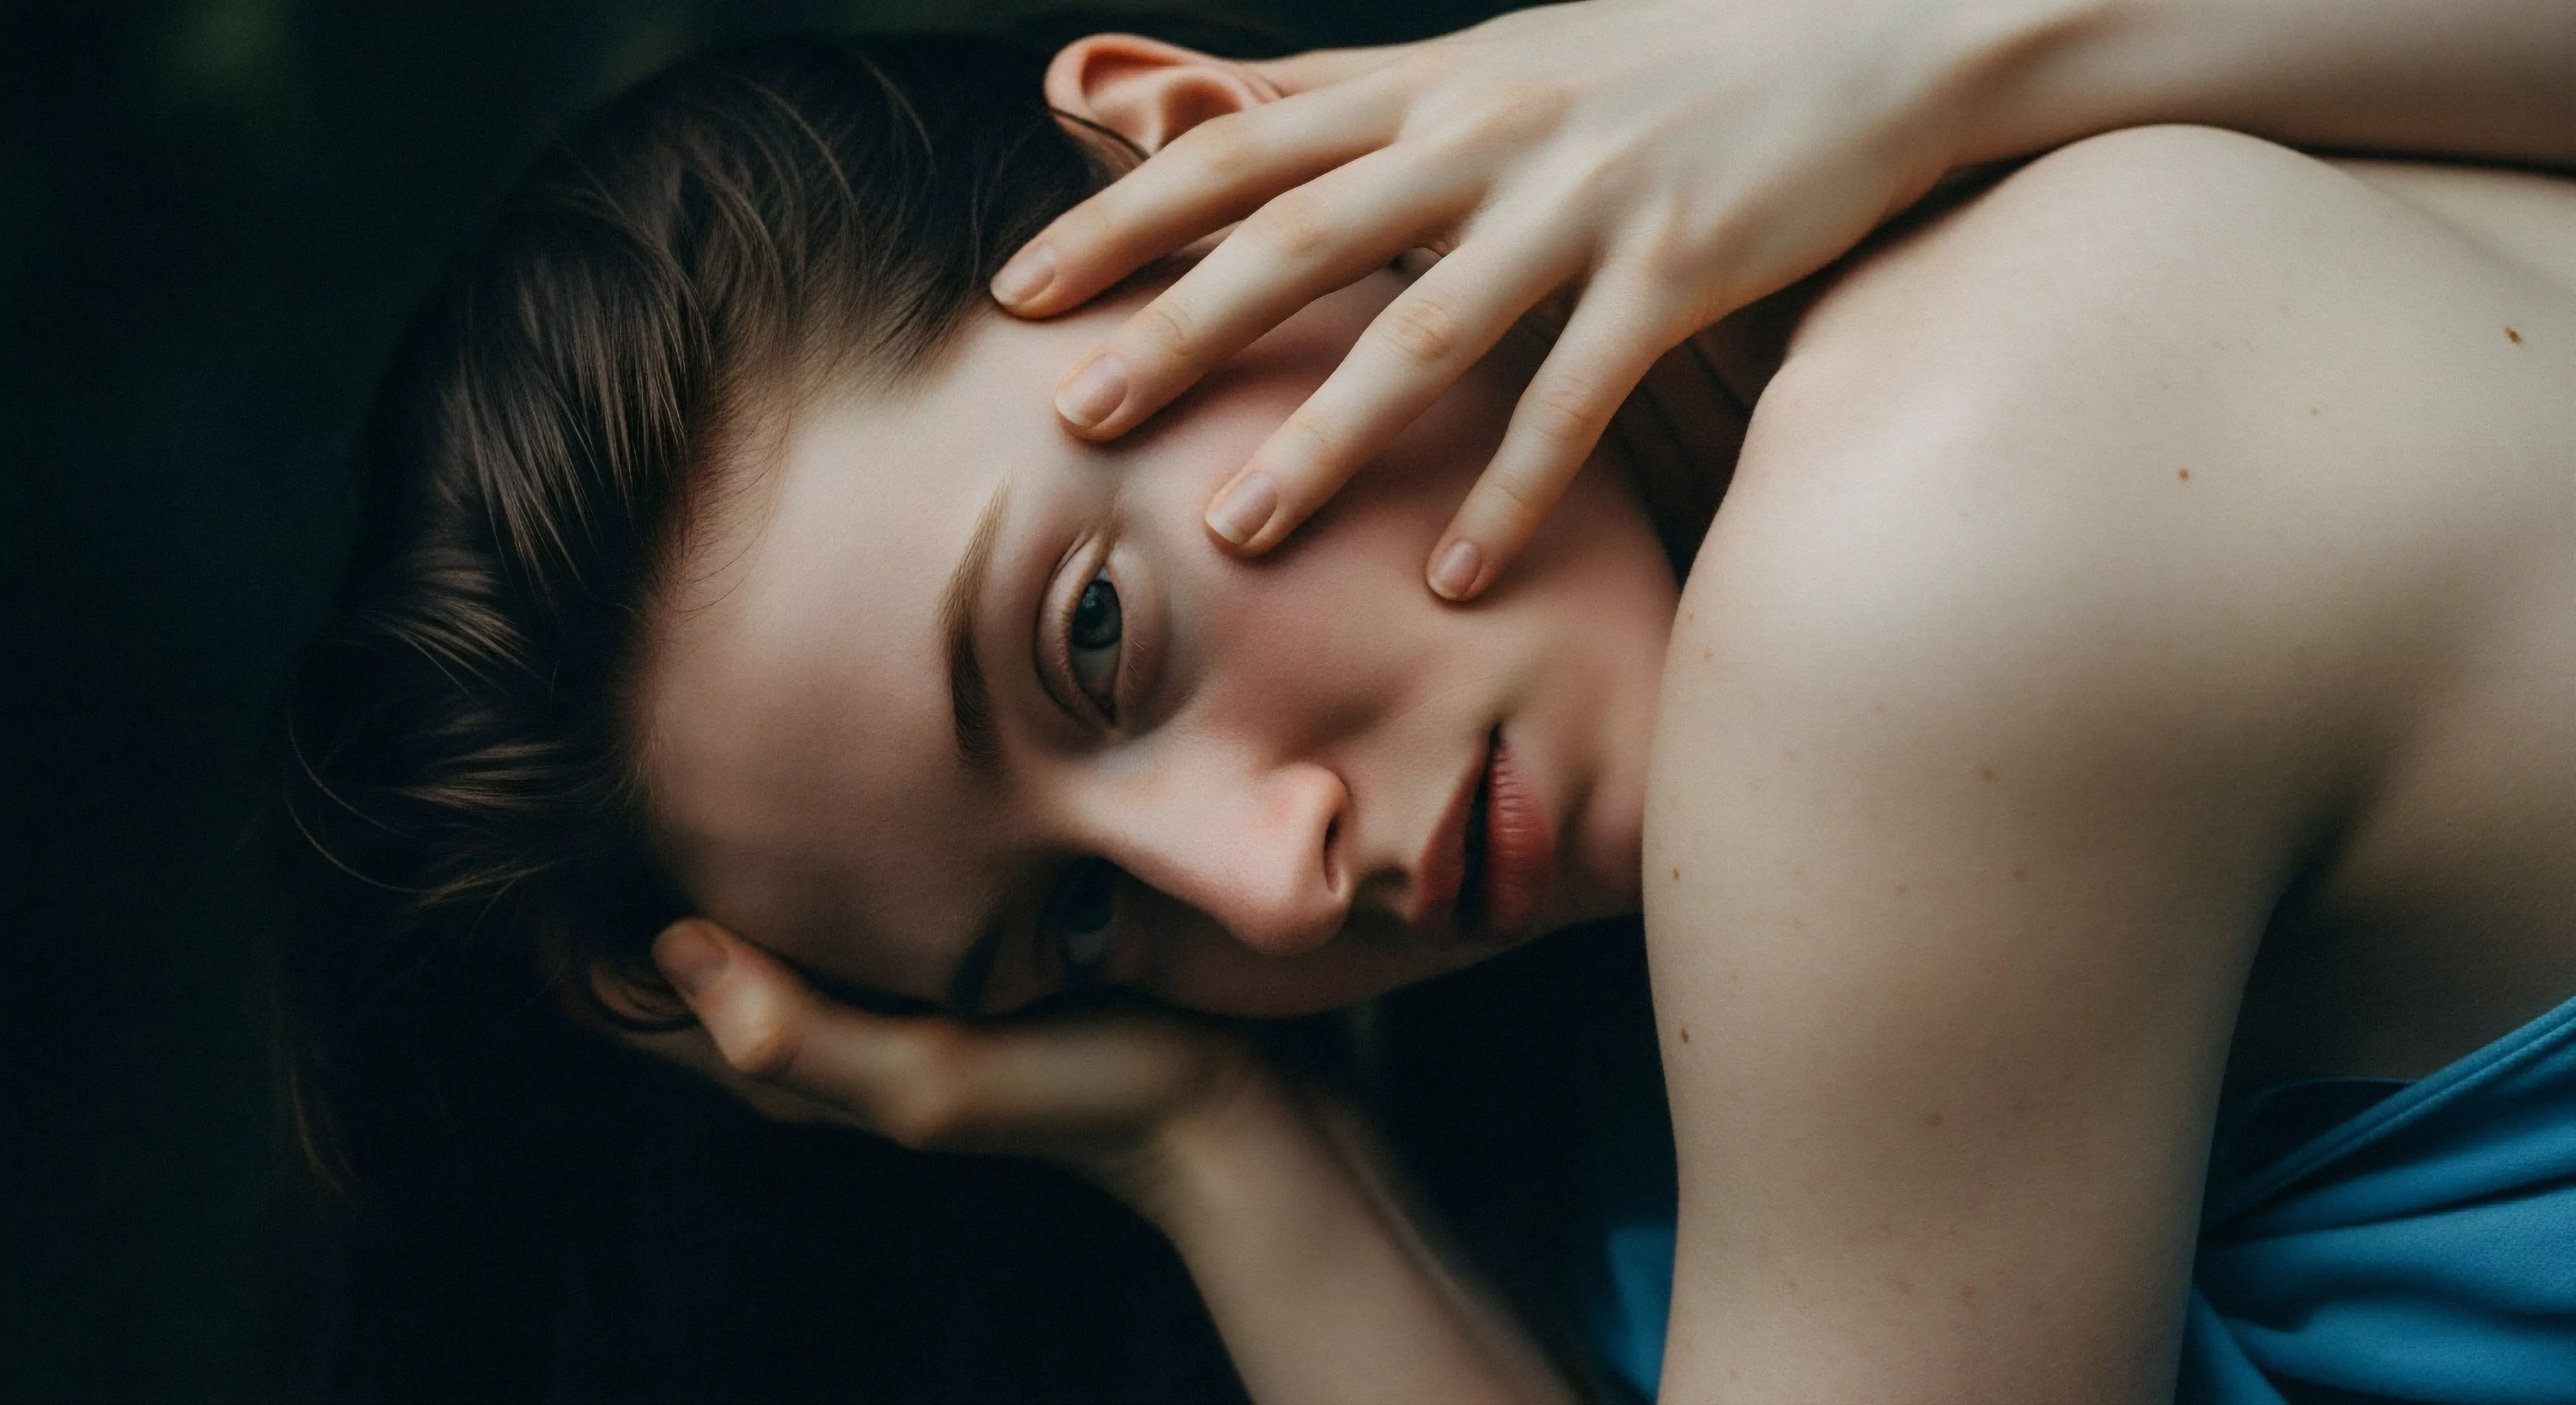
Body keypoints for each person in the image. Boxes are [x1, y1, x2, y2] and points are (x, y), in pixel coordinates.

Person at [282, 2, 2576, 1401]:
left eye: (1095, 637)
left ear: (1192, 163)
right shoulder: (1628, 985)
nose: (1270, 889)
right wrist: (1227, 1151)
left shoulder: (1914, 565)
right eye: (1079, 934)